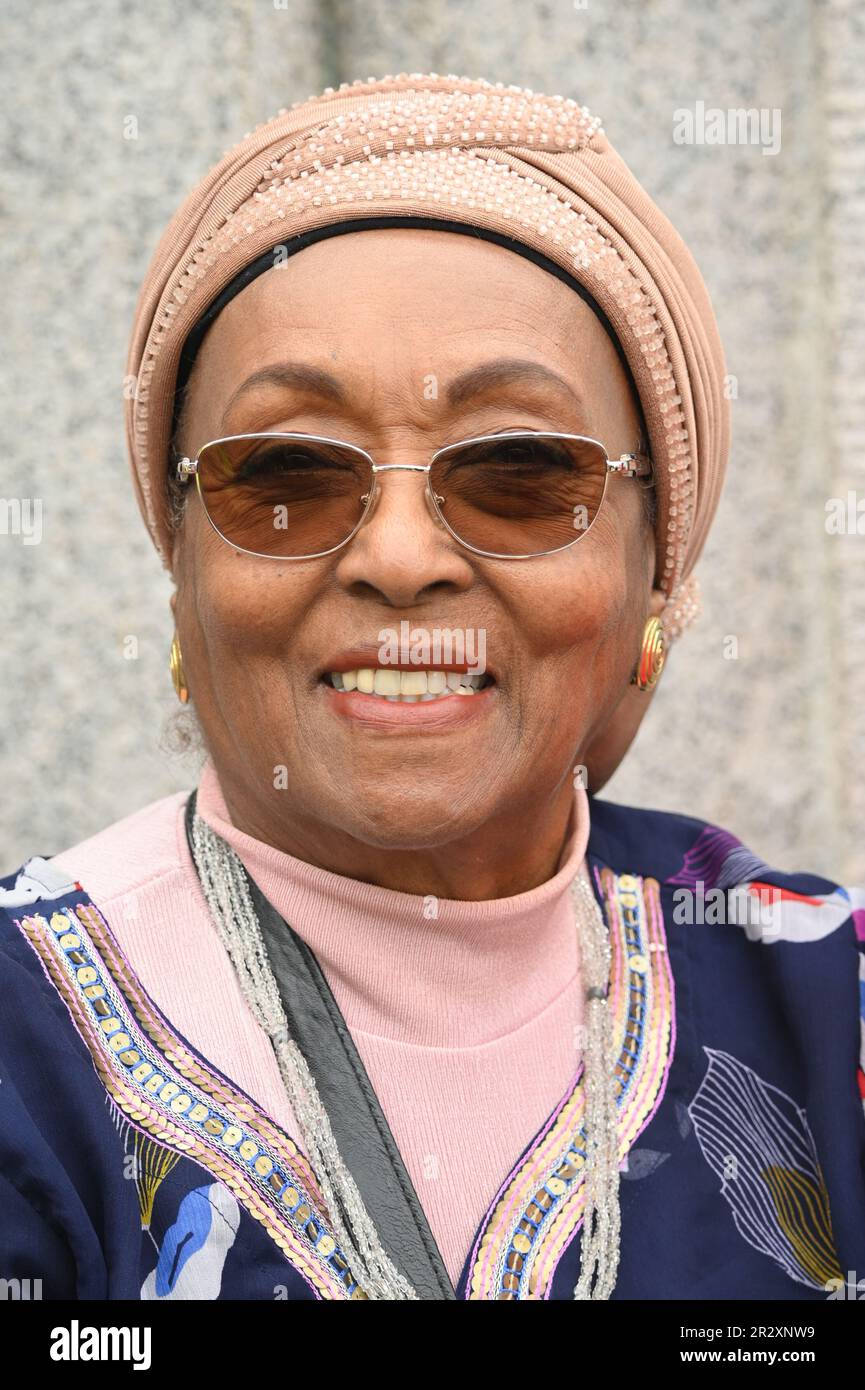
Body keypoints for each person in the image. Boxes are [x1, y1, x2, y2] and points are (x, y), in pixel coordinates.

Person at [1, 72, 863, 1302]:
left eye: (518, 471)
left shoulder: (821, 992)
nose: (398, 559)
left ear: (652, 578)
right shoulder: (21, 1046)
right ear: (181, 563)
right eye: (285, 473)